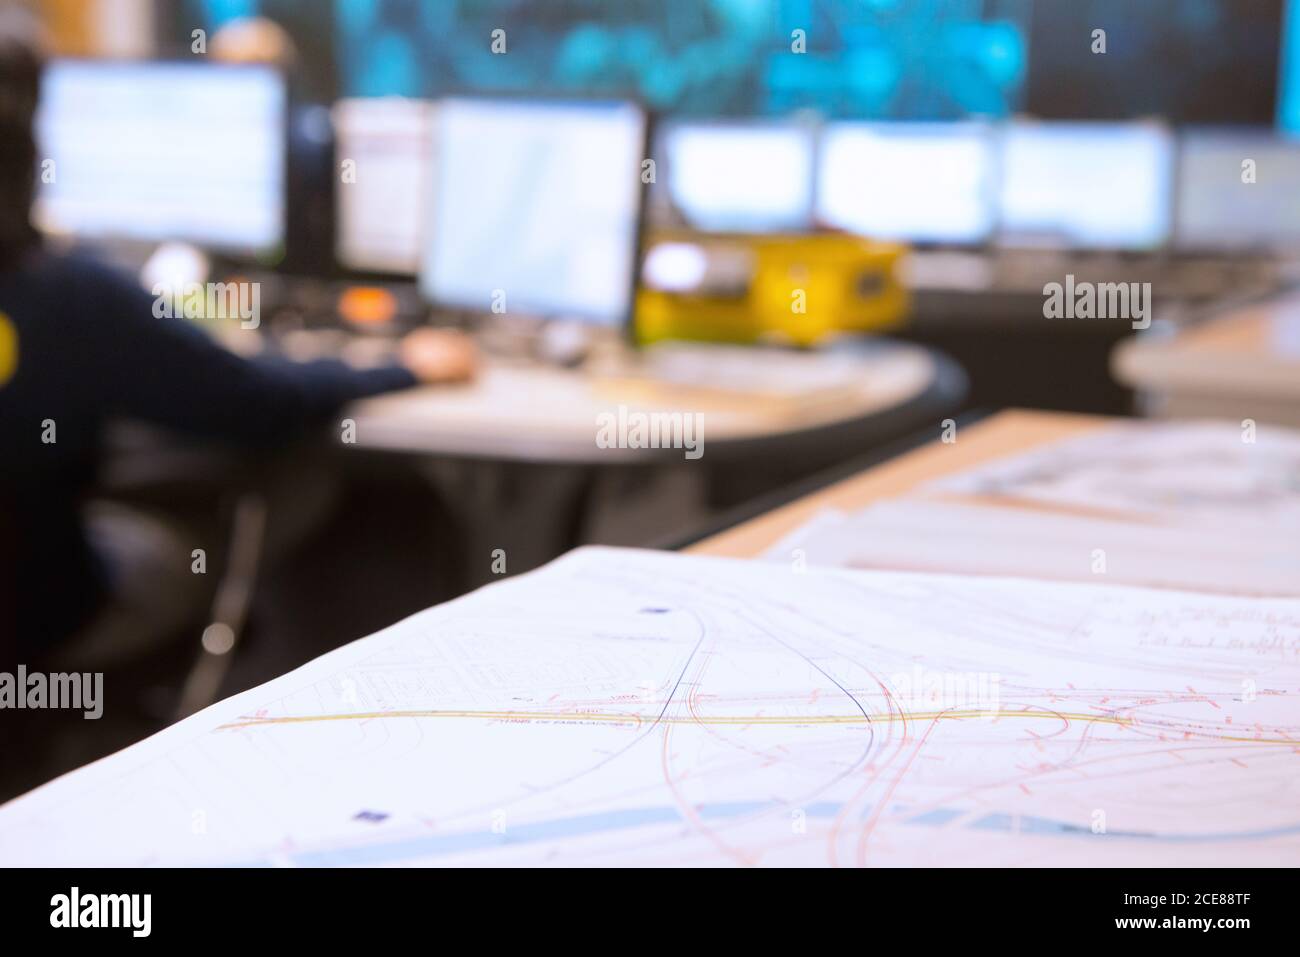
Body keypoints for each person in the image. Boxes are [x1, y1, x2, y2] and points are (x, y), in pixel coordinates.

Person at [0, 14, 476, 664]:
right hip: (48, 615)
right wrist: (400, 366)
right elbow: (257, 404)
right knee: (288, 484)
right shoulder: (68, 295)